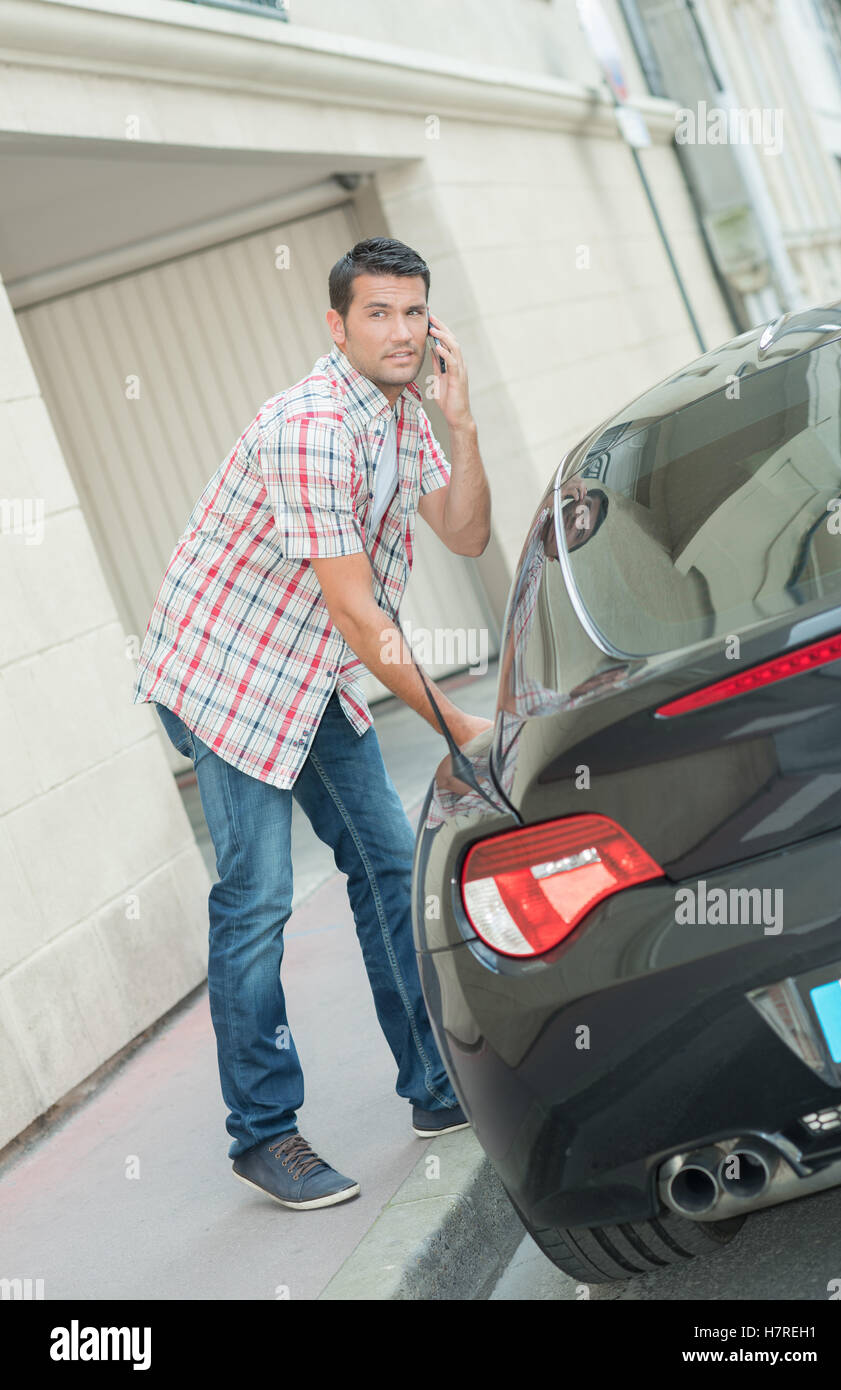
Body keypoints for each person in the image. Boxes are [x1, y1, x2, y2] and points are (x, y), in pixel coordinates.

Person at [131, 236, 493, 1211]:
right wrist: (460, 720)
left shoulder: (401, 412)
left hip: (313, 671)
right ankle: (262, 1133)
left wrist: (462, 426)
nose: (401, 330)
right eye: (379, 312)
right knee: (258, 899)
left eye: (415, 312)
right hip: (226, 675)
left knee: (385, 857)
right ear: (337, 325)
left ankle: (432, 1084)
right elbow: (357, 611)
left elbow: (465, 532)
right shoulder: (311, 426)